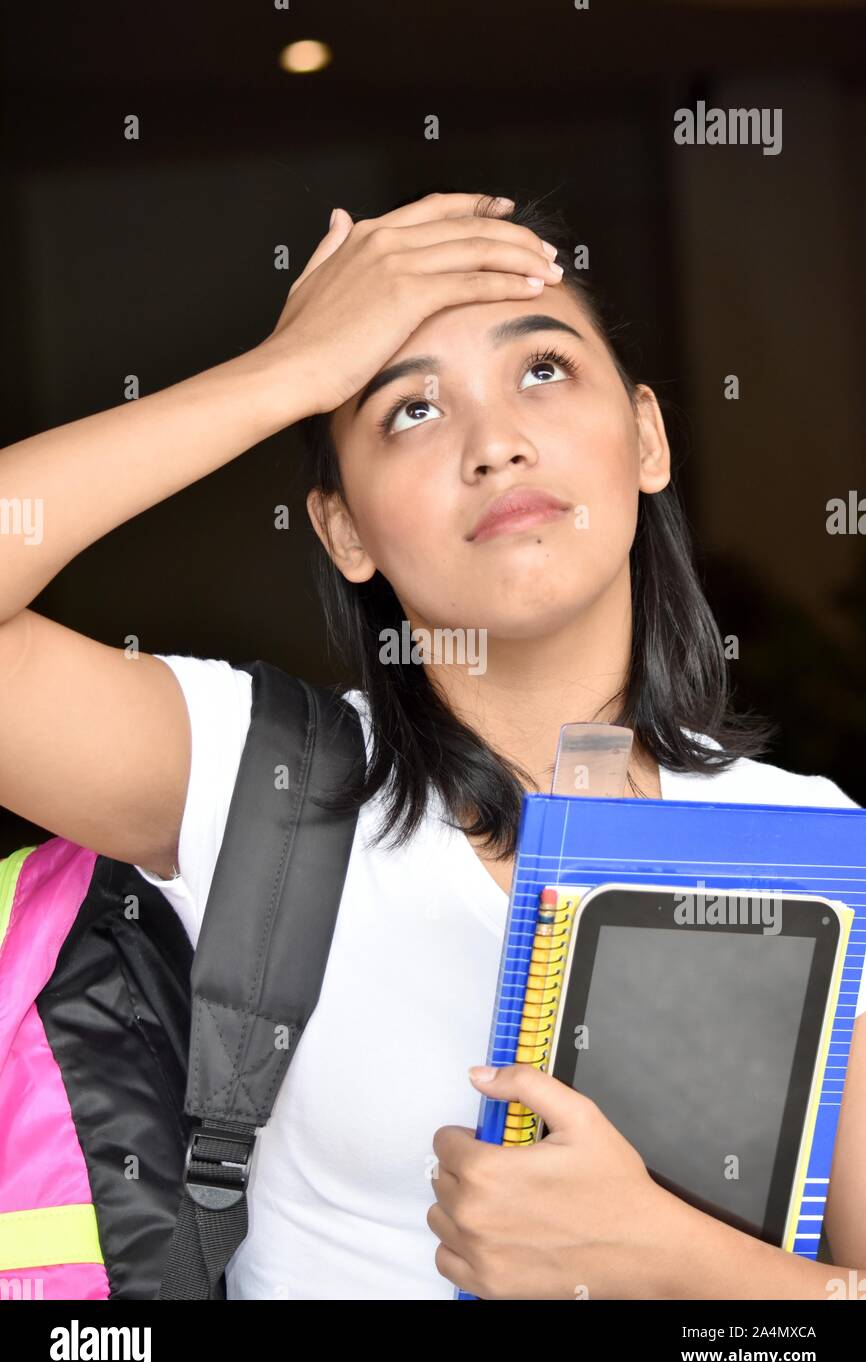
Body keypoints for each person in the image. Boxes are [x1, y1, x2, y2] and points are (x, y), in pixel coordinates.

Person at [0, 189, 863, 1300]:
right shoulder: (252, 777)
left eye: (541, 370)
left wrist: (681, 1264)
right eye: (408, 408)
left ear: (645, 437)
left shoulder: (808, 837)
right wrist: (287, 371)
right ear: (342, 528)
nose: (495, 443)